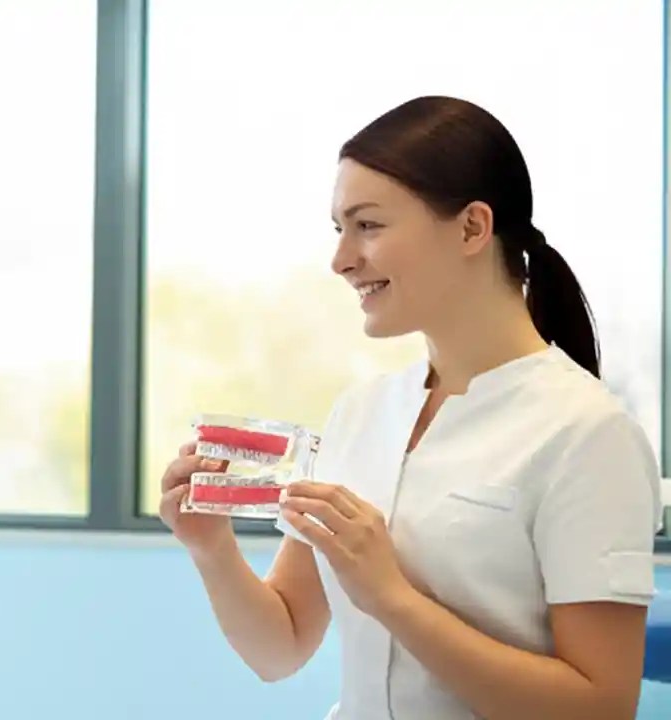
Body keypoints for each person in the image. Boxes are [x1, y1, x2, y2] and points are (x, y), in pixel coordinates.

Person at [160, 96, 660, 720]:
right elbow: (280, 647)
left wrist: (392, 596)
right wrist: (211, 549)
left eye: (367, 225)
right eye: (339, 229)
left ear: (473, 227)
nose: (341, 259)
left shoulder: (588, 435)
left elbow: (600, 707)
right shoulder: (360, 415)